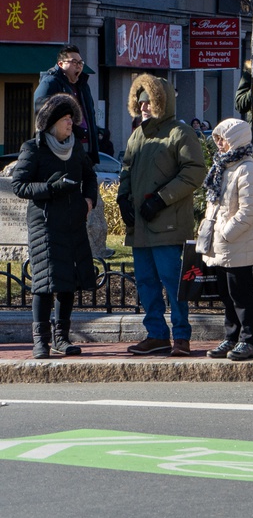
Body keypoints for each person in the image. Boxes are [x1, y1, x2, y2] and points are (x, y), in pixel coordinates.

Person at [118, 74, 207, 356]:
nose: (144, 107)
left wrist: (161, 199)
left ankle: (181, 336)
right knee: (145, 283)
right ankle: (156, 334)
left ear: (162, 102)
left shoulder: (180, 133)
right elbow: (126, 171)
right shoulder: (137, 136)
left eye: (150, 102)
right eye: (140, 102)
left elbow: (194, 171)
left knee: (173, 282)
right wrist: (122, 199)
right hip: (141, 226)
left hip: (167, 224)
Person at [12, 95, 98, 357]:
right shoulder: (33, 148)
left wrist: (88, 202)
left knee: (67, 282)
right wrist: (50, 188)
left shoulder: (76, 148)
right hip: (45, 226)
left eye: (72, 119)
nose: (70, 124)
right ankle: (41, 341)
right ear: (52, 123)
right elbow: (19, 185)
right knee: (45, 283)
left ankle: (61, 337)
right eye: (65, 119)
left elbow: (90, 176)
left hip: (73, 224)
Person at [201, 118, 253, 360]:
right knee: (226, 294)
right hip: (220, 243)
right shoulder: (223, 167)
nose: (218, 143)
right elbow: (215, 204)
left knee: (242, 295)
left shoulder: (247, 168)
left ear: (237, 139)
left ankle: (248, 340)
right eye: (216, 138)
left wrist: (226, 233)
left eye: (223, 138)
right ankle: (231, 337)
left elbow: (248, 211)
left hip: (237, 242)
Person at [33, 44, 100, 165]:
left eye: (80, 63)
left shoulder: (83, 86)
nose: (78, 66)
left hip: (84, 147)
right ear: (61, 64)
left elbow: (90, 115)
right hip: (61, 148)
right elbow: (42, 115)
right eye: (74, 62)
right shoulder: (50, 82)